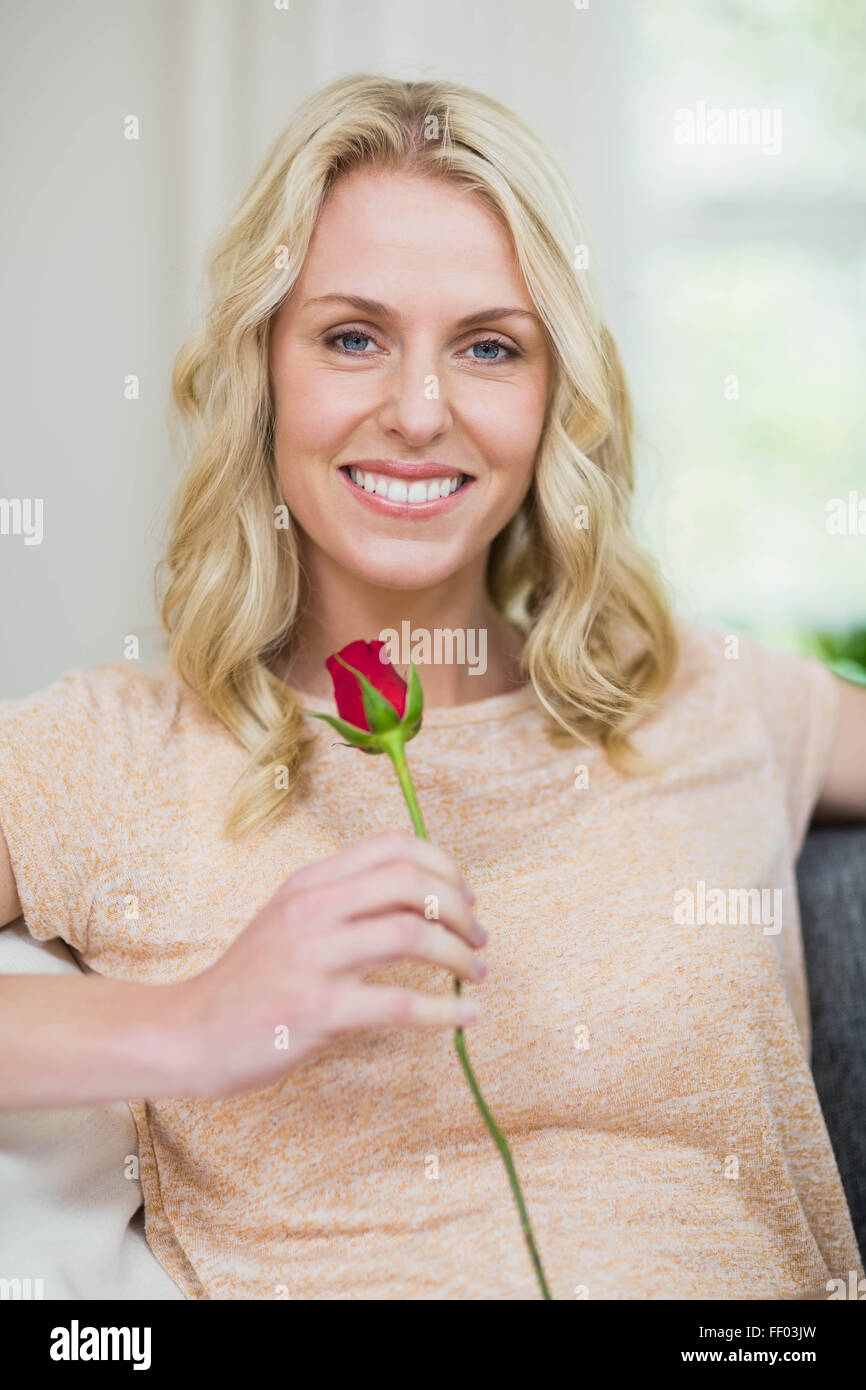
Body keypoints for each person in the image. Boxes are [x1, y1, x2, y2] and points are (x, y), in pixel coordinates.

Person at [1, 73, 865, 1301]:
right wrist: (191, 1023)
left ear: (552, 393)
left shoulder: (695, 696)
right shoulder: (117, 753)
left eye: (488, 346)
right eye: (352, 336)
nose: (418, 411)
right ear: (266, 373)